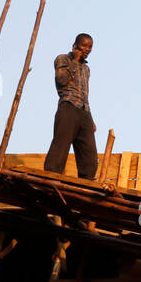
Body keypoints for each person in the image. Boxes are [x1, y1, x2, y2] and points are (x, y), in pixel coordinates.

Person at [43, 33, 98, 179]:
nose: (87, 49)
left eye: (90, 46)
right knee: (60, 146)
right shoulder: (63, 59)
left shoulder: (86, 69)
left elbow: (85, 95)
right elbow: (61, 80)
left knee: (90, 155)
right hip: (68, 107)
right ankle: (51, 178)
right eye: (84, 45)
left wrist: (90, 118)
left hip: (83, 111)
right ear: (75, 46)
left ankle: (87, 183)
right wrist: (75, 60)